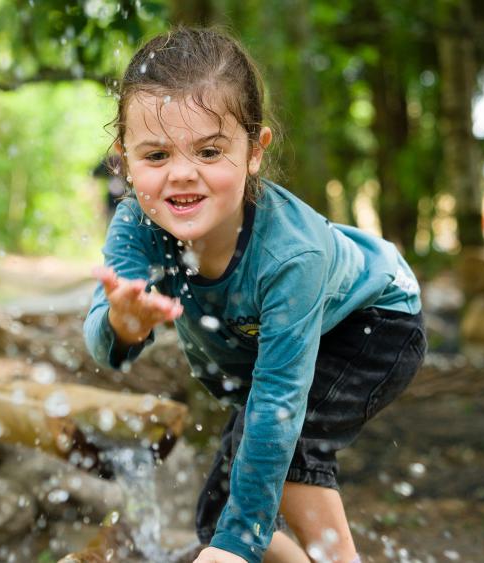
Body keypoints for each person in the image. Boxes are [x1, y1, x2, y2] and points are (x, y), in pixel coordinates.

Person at [83, 28, 425, 563]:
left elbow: (277, 408)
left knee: (280, 465)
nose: (181, 174)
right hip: (292, 347)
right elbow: (103, 342)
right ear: (124, 159)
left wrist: (236, 550)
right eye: (155, 155)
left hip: (374, 320)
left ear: (254, 152)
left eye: (210, 150)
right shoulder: (136, 226)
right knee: (219, 518)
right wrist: (122, 325)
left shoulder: (290, 257)